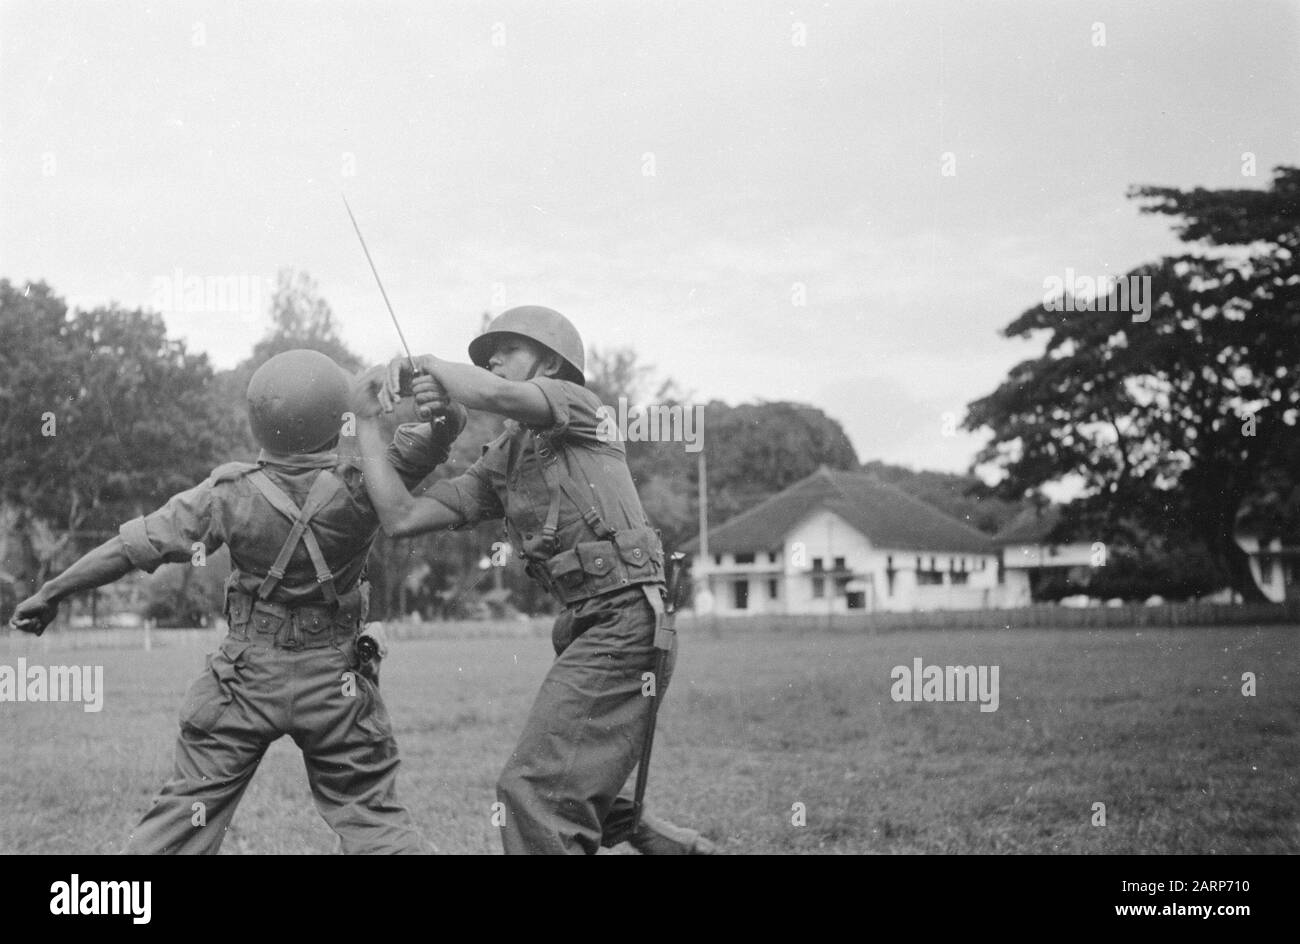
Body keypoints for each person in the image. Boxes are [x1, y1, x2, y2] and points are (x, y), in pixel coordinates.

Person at [9, 349, 466, 854]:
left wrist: (51, 593)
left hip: (246, 676)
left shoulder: (227, 494)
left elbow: (131, 548)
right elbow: (441, 436)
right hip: (336, 677)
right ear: (336, 419)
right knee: (375, 822)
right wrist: (440, 408)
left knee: (182, 821)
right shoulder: (369, 482)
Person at [353, 305, 715, 854]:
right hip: (588, 625)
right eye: (488, 354)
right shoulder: (504, 459)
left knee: (535, 793)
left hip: (624, 619)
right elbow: (402, 518)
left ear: (549, 362)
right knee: (575, 772)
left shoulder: (581, 405)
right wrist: (369, 427)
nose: (494, 360)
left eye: (509, 350)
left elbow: (497, 396)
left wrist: (426, 365)